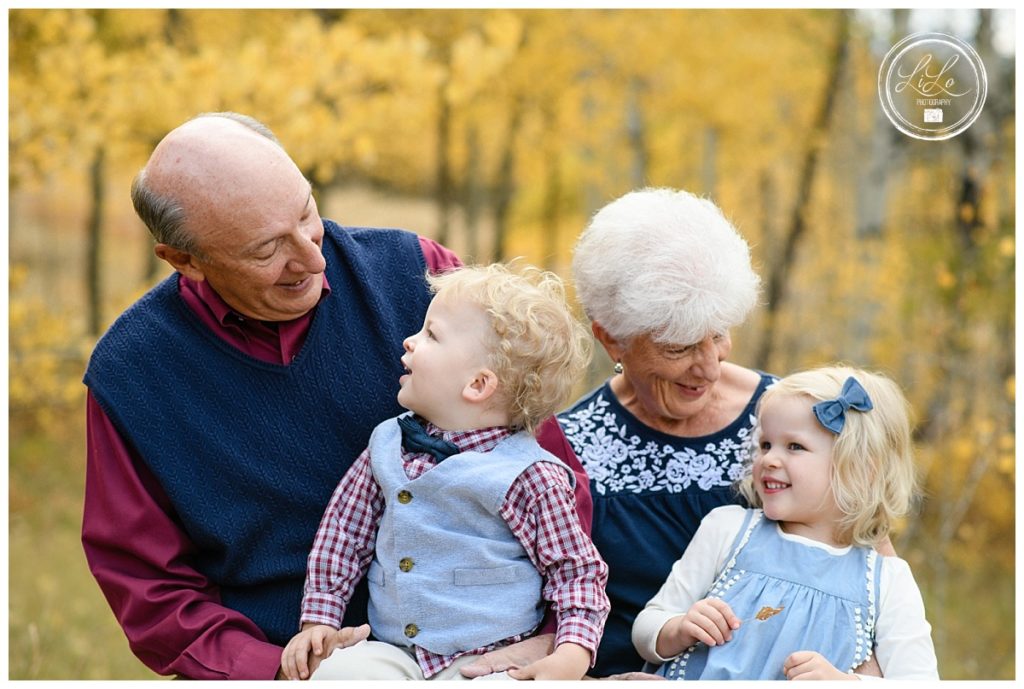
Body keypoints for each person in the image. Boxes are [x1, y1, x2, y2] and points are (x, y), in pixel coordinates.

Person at [81, 112, 592, 680]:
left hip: (489, 643)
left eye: (307, 213)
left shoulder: (419, 276)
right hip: (293, 659)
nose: (313, 259)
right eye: (267, 249)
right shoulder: (132, 374)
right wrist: (277, 670)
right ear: (185, 260)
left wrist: (548, 641)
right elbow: (152, 590)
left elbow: (550, 482)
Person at [279, 263, 609, 681]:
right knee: (335, 674)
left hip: (493, 657)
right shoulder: (386, 445)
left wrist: (571, 654)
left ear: (477, 384)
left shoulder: (530, 475)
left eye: (431, 335)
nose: (409, 341)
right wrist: (320, 621)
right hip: (395, 651)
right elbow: (343, 534)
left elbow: (575, 571)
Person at [556, 187, 774, 677]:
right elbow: (554, 618)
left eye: (717, 334)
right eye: (679, 347)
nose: (710, 367)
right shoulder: (569, 451)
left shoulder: (790, 421)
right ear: (611, 337)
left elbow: (875, 579)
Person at [632, 366, 939, 680]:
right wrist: (678, 629)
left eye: (795, 446)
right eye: (766, 444)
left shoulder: (887, 580)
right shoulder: (727, 529)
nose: (769, 459)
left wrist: (848, 682)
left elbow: (919, 680)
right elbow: (647, 626)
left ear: (860, 469)